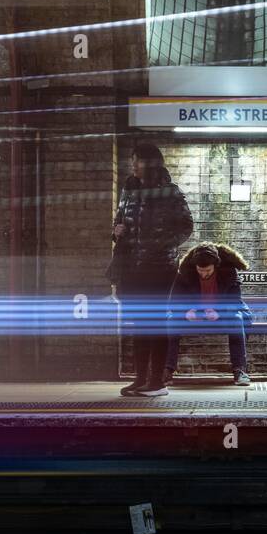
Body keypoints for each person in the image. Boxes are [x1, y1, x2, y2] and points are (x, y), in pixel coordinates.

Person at [108, 143, 193, 397]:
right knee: (139, 323)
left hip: (159, 268)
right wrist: (115, 231)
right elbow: (119, 222)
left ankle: (157, 382)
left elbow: (186, 226)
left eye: (137, 161)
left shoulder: (169, 192)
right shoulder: (128, 190)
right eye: (132, 161)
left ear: (151, 164)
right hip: (131, 268)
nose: (133, 165)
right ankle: (141, 378)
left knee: (154, 322)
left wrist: (161, 245)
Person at [163, 241, 253, 387]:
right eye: (200, 270)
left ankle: (240, 370)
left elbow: (235, 301)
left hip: (221, 313)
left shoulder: (228, 272)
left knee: (237, 319)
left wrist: (219, 312)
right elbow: (173, 302)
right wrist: (186, 312)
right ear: (195, 266)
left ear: (215, 266)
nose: (204, 274)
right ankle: (167, 370)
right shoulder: (185, 272)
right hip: (194, 314)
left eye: (208, 271)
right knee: (171, 321)